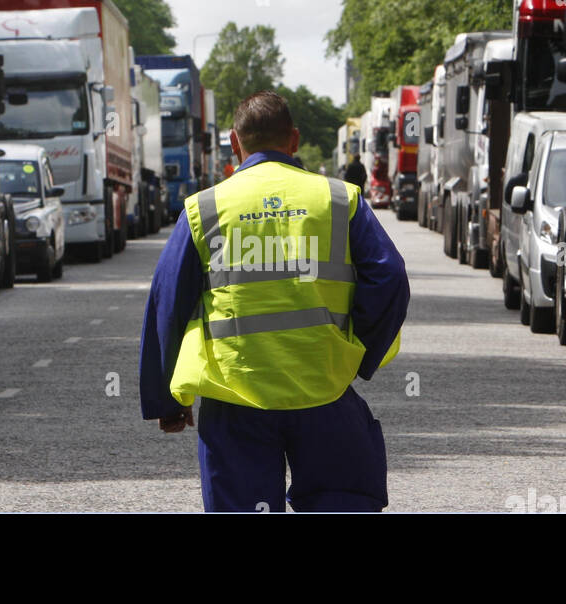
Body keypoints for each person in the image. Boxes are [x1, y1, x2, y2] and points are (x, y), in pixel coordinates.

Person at [139, 91, 409, 512]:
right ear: (295, 139)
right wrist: (358, 352)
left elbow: (167, 304)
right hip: (323, 388)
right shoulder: (339, 200)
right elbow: (389, 276)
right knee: (342, 503)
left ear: (234, 142)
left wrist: (168, 399)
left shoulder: (203, 209)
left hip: (235, 397)